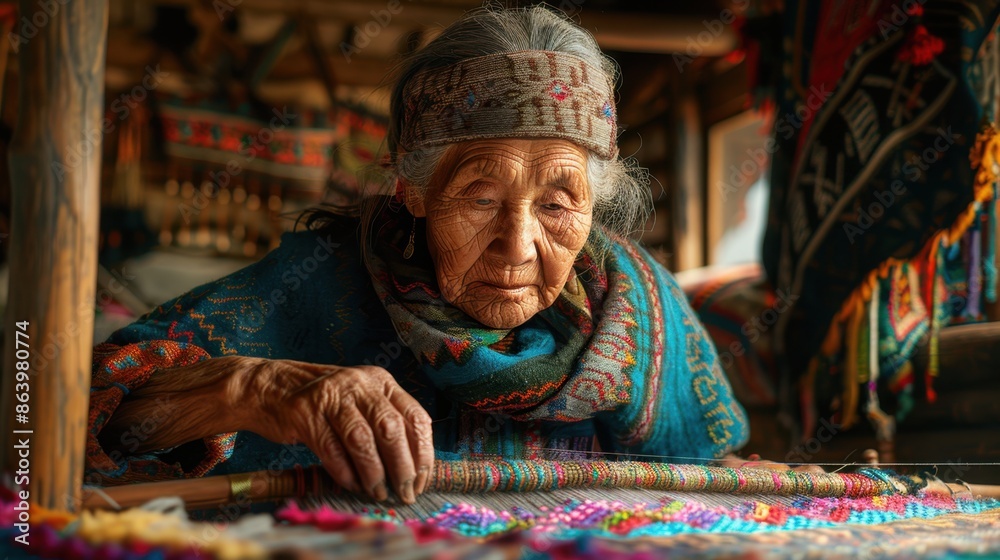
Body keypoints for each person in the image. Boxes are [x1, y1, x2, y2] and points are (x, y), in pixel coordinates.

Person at [87, 6, 757, 506]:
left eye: (557, 206)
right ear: (411, 188)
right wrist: (255, 389)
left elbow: (711, 473)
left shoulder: (640, 304)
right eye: (480, 197)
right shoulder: (314, 286)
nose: (518, 246)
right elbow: (77, 411)